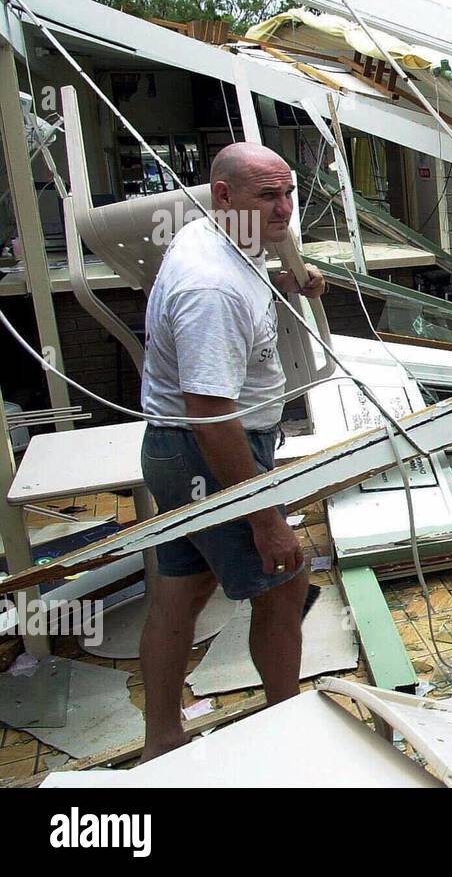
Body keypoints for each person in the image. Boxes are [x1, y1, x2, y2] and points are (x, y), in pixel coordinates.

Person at [137, 142, 326, 761]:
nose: (284, 209)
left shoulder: (214, 232)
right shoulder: (211, 288)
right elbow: (211, 415)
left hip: (174, 450)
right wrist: (266, 520)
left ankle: (162, 739)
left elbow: (273, 241)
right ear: (225, 196)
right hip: (207, 452)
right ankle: (286, 731)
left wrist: (295, 272)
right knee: (285, 585)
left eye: (289, 193)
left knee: (179, 594)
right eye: (268, 196)